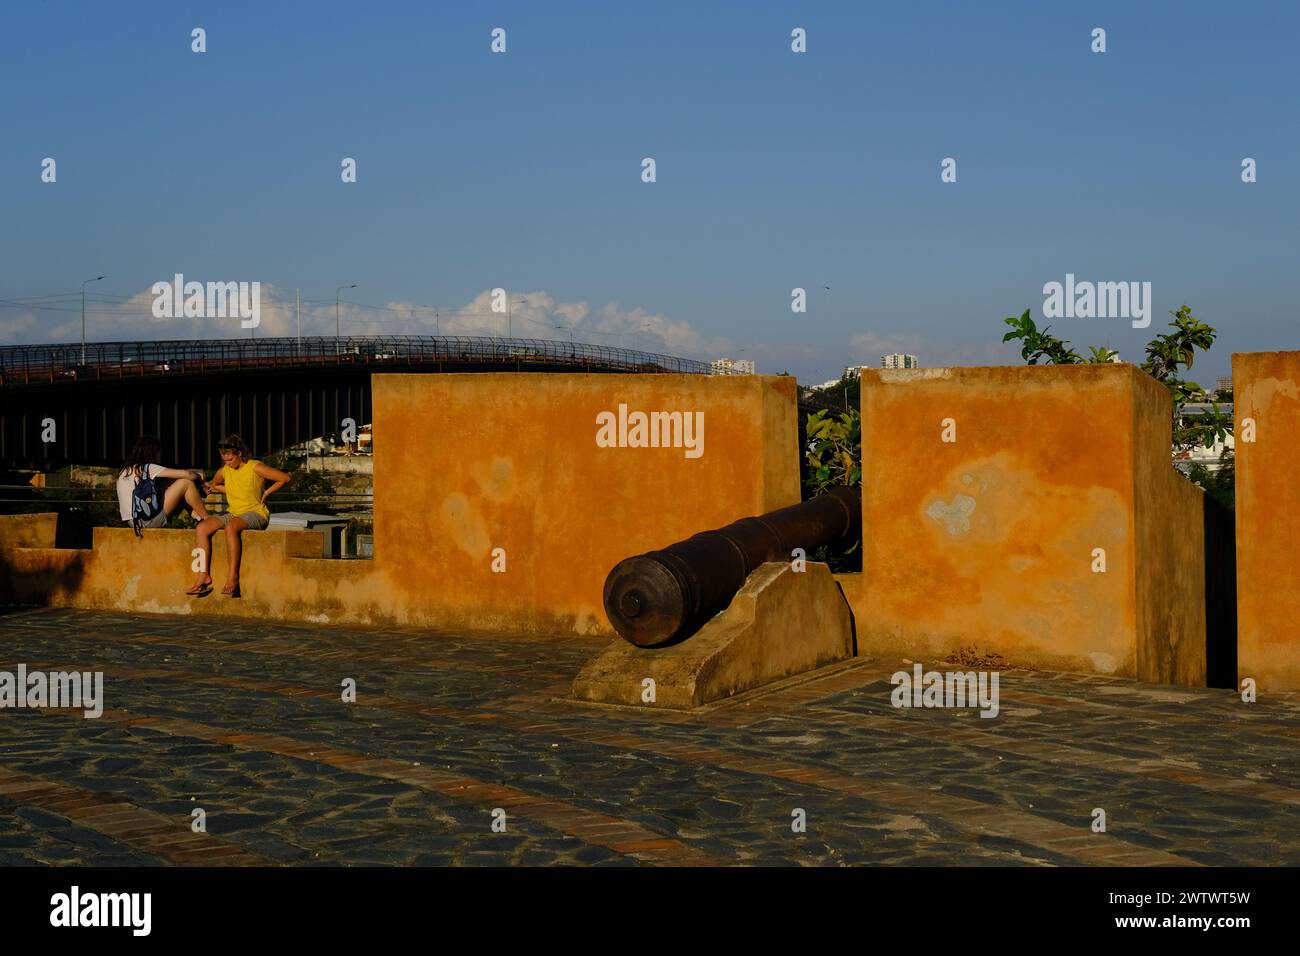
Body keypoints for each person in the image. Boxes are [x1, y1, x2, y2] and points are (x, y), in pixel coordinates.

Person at [190, 434, 291, 598]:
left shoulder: (255, 467)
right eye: (224, 460)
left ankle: (232, 577)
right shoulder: (224, 471)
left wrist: (266, 492)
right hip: (234, 512)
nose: (227, 463)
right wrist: (210, 487)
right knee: (202, 528)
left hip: (256, 513)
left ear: (240, 454)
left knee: (231, 527)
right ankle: (203, 576)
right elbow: (216, 485)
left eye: (230, 459)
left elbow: (284, 478)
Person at [116, 437, 211, 534]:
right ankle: (207, 519)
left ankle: (198, 518)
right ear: (152, 452)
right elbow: (187, 475)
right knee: (185, 483)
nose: (159, 456)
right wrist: (201, 477)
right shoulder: (148, 468)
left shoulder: (125, 470)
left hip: (133, 522)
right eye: (158, 452)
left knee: (174, 484)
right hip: (147, 521)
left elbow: (174, 478)